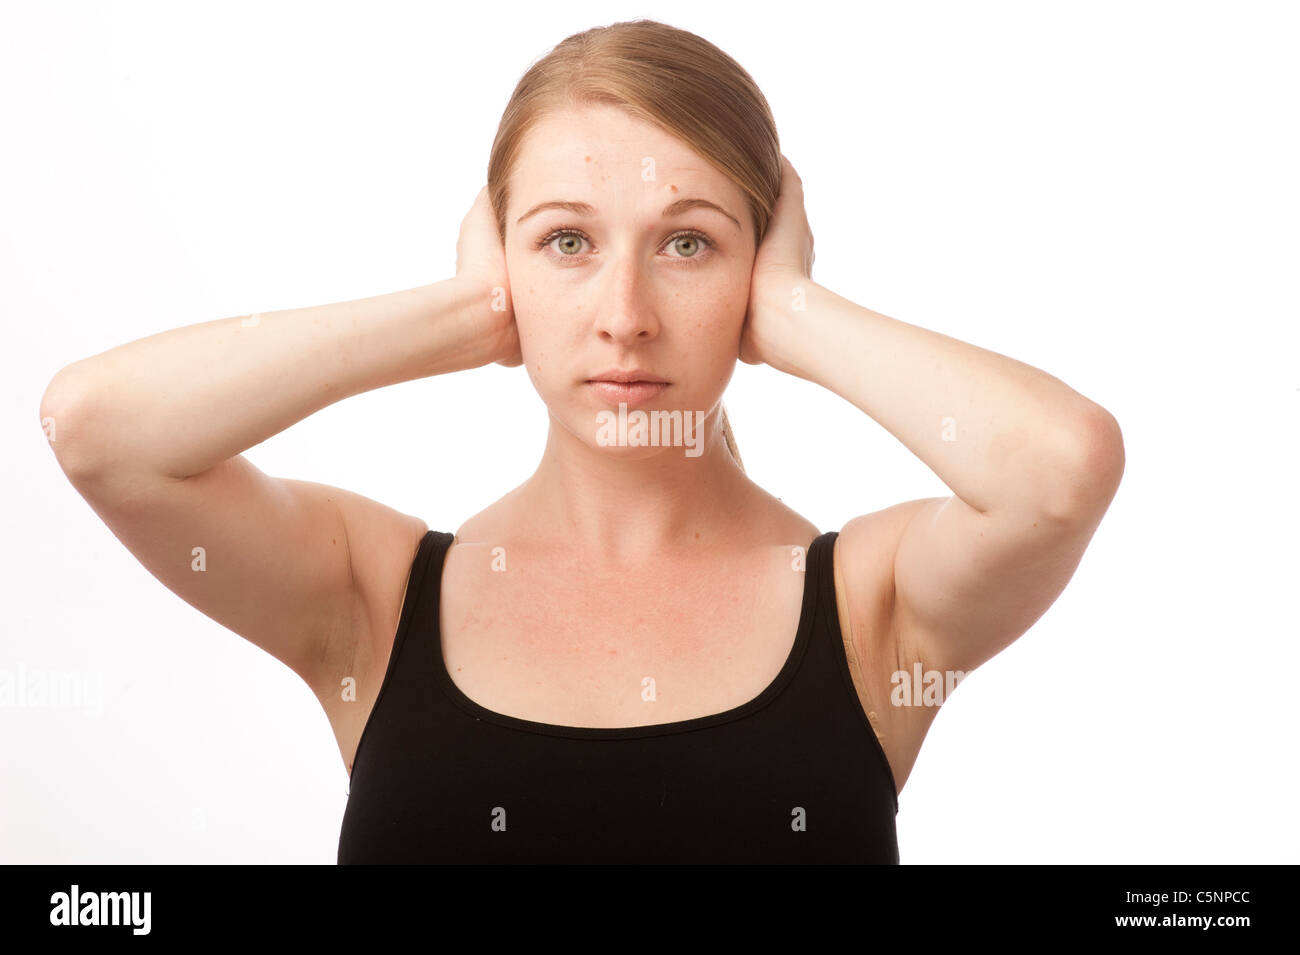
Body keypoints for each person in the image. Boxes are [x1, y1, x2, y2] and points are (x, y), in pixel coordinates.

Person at [40, 19, 1124, 863]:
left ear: (756, 263)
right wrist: (469, 312)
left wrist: (790, 311)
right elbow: (98, 429)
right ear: (500, 254)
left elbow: (1062, 466)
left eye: (688, 242)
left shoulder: (870, 605)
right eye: (566, 240)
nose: (624, 312)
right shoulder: (368, 593)